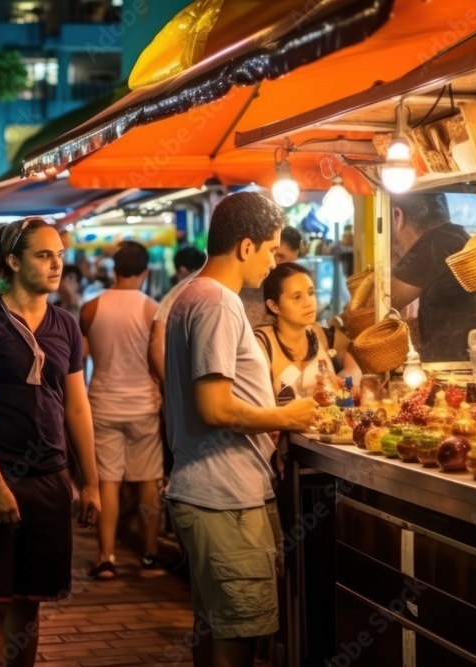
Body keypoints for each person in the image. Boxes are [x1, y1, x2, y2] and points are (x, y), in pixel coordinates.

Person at [164, 192, 319, 667]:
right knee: (237, 638)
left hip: (215, 493)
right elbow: (213, 407)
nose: (275, 261)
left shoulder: (193, 293)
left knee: (216, 626)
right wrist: (285, 417)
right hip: (223, 497)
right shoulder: (218, 303)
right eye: (273, 250)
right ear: (247, 246)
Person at [0, 216, 101, 667]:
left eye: (59, 255)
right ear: (13, 261)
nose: (57, 265)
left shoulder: (67, 325)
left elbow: (77, 407)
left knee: (29, 603)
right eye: (44, 255)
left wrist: (89, 481)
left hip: (50, 477)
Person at [81, 241, 163, 579]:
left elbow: (81, 357)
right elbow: (159, 360)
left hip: (101, 405)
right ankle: (149, 555)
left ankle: (106, 558)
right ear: (144, 273)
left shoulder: (91, 307)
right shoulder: (153, 309)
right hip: (144, 405)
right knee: (148, 482)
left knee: (107, 482)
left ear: (114, 270)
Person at [390, 192, 476, 362]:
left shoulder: (433, 243)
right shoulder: (456, 236)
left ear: (397, 216)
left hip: (455, 367)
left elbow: (384, 301)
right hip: (471, 361)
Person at [254, 263, 360, 397]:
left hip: (328, 417)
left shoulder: (319, 334)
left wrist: (345, 380)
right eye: (297, 297)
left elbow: (353, 351)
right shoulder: (261, 343)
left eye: (310, 293)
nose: (309, 302)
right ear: (274, 306)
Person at [148, 246, 207, 384]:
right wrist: (167, 385)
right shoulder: (173, 300)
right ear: (182, 270)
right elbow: (156, 350)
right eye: (196, 271)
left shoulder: (171, 297)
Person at [241, 225, 303, 329]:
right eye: (279, 256)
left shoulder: (284, 292)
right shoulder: (242, 285)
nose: (281, 267)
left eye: (289, 263)